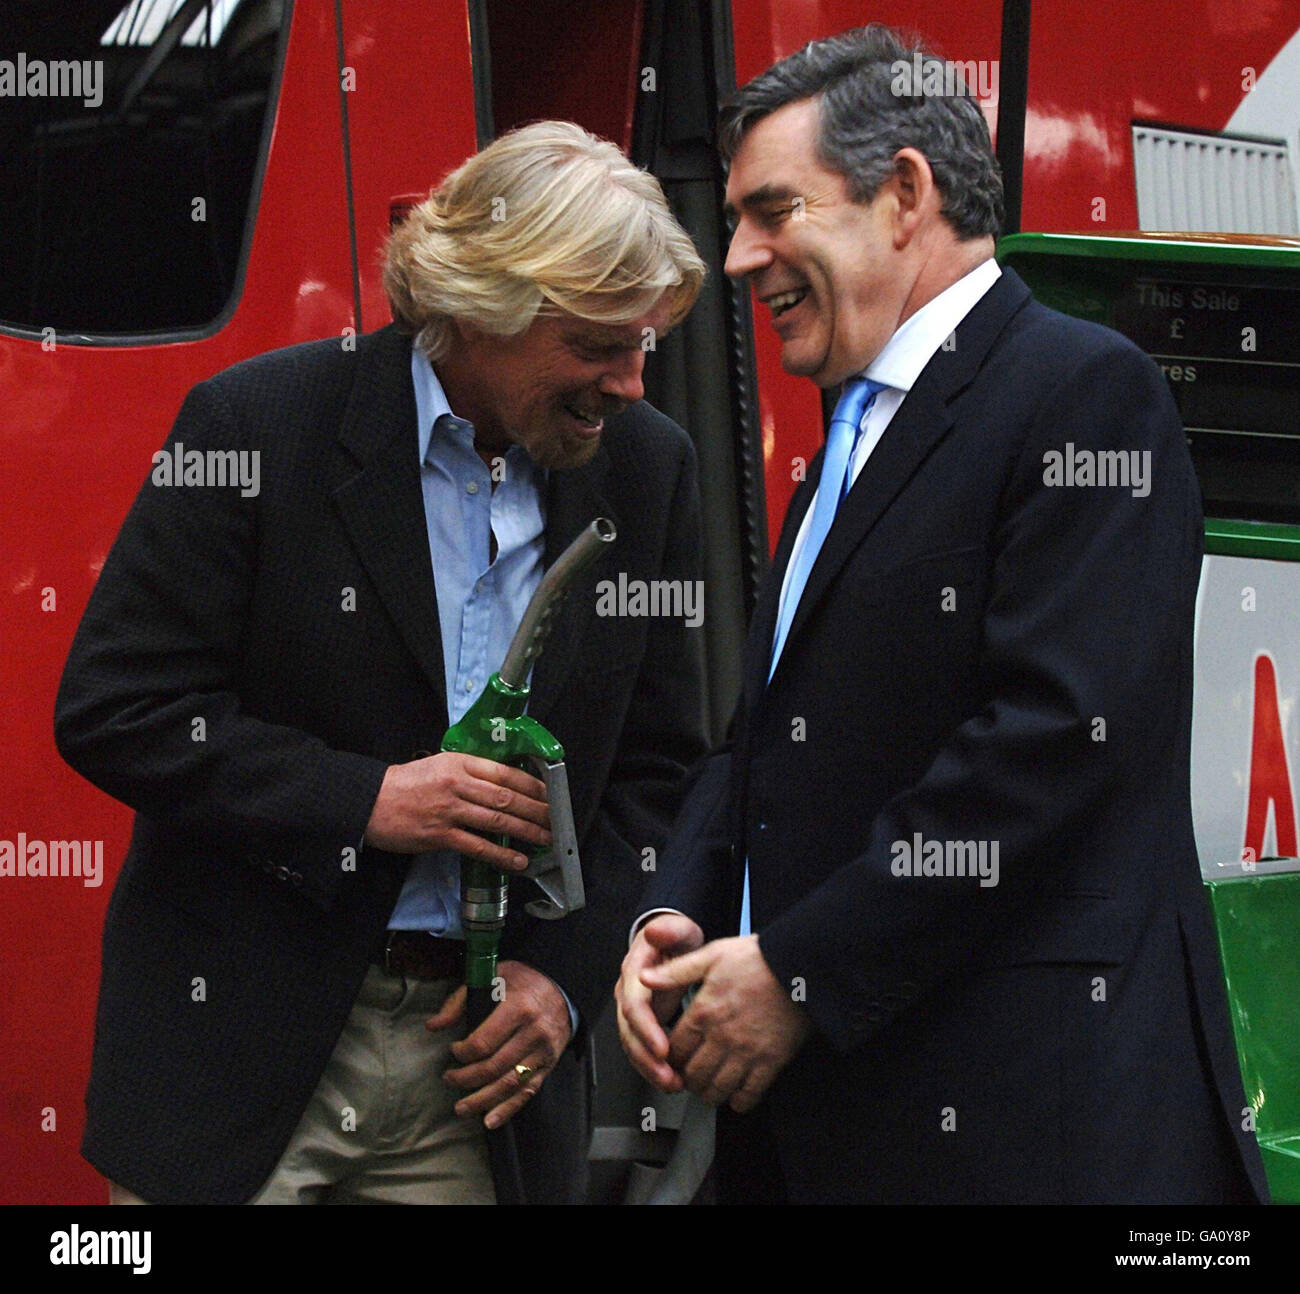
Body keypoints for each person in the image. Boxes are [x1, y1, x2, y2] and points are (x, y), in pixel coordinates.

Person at [616, 25, 1268, 1204]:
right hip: (831, 1134)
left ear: (904, 192)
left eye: (772, 211)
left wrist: (800, 973)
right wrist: (676, 907)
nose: (737, 258)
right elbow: (761, 735)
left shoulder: (1083, 392)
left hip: (1016, 1134)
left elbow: (1053, 740)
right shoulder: (846, 443)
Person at [55, 121, 709, 1205]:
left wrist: (564, 974)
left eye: (643, 342)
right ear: (485, 303)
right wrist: (369, 798)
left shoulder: (648, 470)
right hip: (245, 1067)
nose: (631, 381)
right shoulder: (259, 423)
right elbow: (118, 709)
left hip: (479, 1082)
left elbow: (660, 773)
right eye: (600, 342)